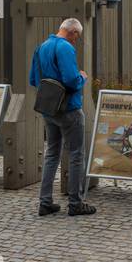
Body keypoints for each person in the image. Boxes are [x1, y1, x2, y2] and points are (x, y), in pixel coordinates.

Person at [29, 17, 96, 217]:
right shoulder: (65, 48)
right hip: (70, 110)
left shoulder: (41, 47)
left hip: (49, 109)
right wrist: (83, 76)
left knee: (51, 153)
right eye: (77, 36)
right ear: (73, 32)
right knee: (76, 155)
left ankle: (45, 202)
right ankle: (76, 203)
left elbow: (34, 79)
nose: (76, 41)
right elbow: (71, 80)